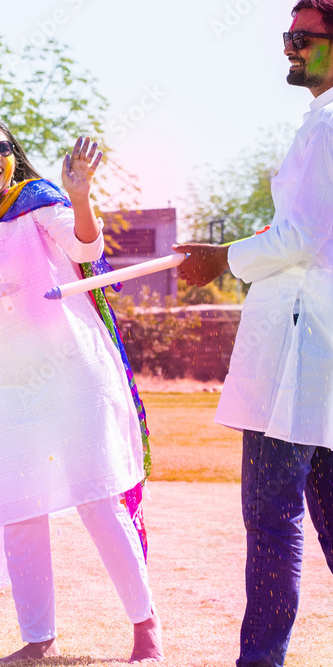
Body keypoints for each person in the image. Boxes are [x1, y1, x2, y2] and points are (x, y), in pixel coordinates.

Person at [0, 121, 163, 663]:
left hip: (73, 371)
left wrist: (80, 196)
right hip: (11, 382)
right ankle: (38, 638)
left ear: (14, 159)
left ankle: (146, 628)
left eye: (3, 148)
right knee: (20, 508)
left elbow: (86, 248)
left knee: (98, 498)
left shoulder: (41, 203)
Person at [175, 3, 333, 664]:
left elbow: (301, 238)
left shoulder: (327, 131)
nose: (290, 50)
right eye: (287, 37)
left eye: (303, 38)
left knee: (271, 521)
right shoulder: (318, 126)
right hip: (315, 354)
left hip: (296, 359)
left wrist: (221, 260)